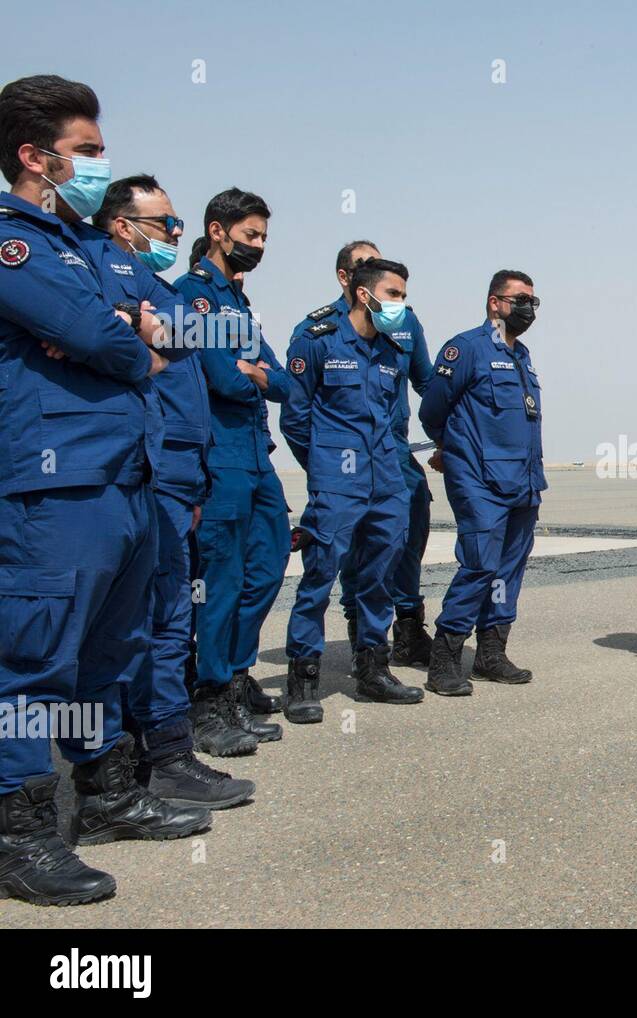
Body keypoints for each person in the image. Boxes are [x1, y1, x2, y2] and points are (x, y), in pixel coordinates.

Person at [0, 75, 209, 906]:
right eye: (87, 152)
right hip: (57, 486)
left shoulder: (81, 245)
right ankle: (19, 836)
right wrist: (122, 339)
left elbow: (156, 327)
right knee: (32, 660)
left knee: (106, 654)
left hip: (128, 479)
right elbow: (101, 332)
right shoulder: (12, 242)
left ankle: (109, 796)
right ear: (33, 154)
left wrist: (123, 335)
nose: (99, 164)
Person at [91, 174, 256, 806]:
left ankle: (162, 751)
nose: (175, 236)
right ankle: (147, 758)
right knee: (148, 621)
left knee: (169, 617)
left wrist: (158, 327)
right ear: (123, 226)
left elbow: (202, 340)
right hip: (147, 472)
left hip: (184, 476)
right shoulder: (104, 278)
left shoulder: (158, 290)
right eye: (165, 225)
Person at [281, 258, 425, 718]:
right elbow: (295, 416)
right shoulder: (317, 339)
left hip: (387, 482)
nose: (401, 303)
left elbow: (393, 418)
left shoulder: (391, 351)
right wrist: (325, 470)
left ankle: (373, 670)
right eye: (395, 293)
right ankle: (303, 679)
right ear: (365, 294)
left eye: (404, 294)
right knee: (320, 577)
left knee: (379, 579)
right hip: (337, 483)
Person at [175, 188, 286, 752]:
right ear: (217, 231)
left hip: (256, 458)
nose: (259, 246)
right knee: (217, 583)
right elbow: (226, 378)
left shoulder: (238, 304)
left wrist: (262, 375)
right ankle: (209, 699)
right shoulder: (192, 297)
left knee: (265, 571)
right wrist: (256, 377)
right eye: (251, 235)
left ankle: (237, 677)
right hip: (219, 458)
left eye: (264, 237)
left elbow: (287, 382)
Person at [418, 269, 546, 696]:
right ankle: (446, 658)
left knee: (508, 569)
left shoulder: (522, 354)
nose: (528, 307)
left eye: (533, 300)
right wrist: (449, 448)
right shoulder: (466, 348)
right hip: (480, 481)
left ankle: (491, 653)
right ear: (495, 303)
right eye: (519, 299)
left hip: (524, 482)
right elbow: (433, 410)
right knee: (479, 564)